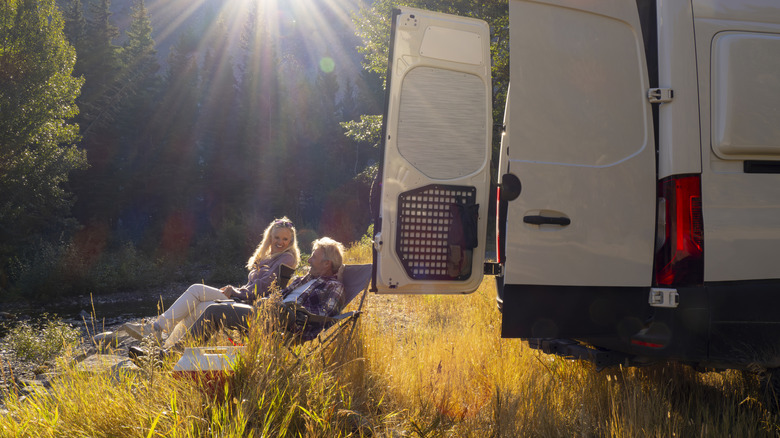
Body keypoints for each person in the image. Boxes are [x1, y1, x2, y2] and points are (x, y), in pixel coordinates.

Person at [128, 237, 345, 359]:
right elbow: (276, 295)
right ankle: (168, 353)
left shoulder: (334, 287)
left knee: (214, 311)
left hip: (283, 324)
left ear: (327, 263)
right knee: (210, 306)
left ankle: (166, 357)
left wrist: (284, 311)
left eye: (314, 257)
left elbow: (322, 316)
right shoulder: (302, 279)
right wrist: (268, 301)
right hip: (265, 312)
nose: (309, 260)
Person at [123, 217, 301, 343]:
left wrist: (236, 291)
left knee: (196, 290)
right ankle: (168, 348)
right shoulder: (268, 256)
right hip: (244, 299)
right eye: (277, 237)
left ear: (291, 240)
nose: (280, 242)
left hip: (254, 305)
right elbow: (254, 285)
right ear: (270, 237)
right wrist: (236, 290)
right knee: (200, 308)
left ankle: (155, 328)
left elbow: (264, 287)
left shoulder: (286, 258)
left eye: (285, 239)